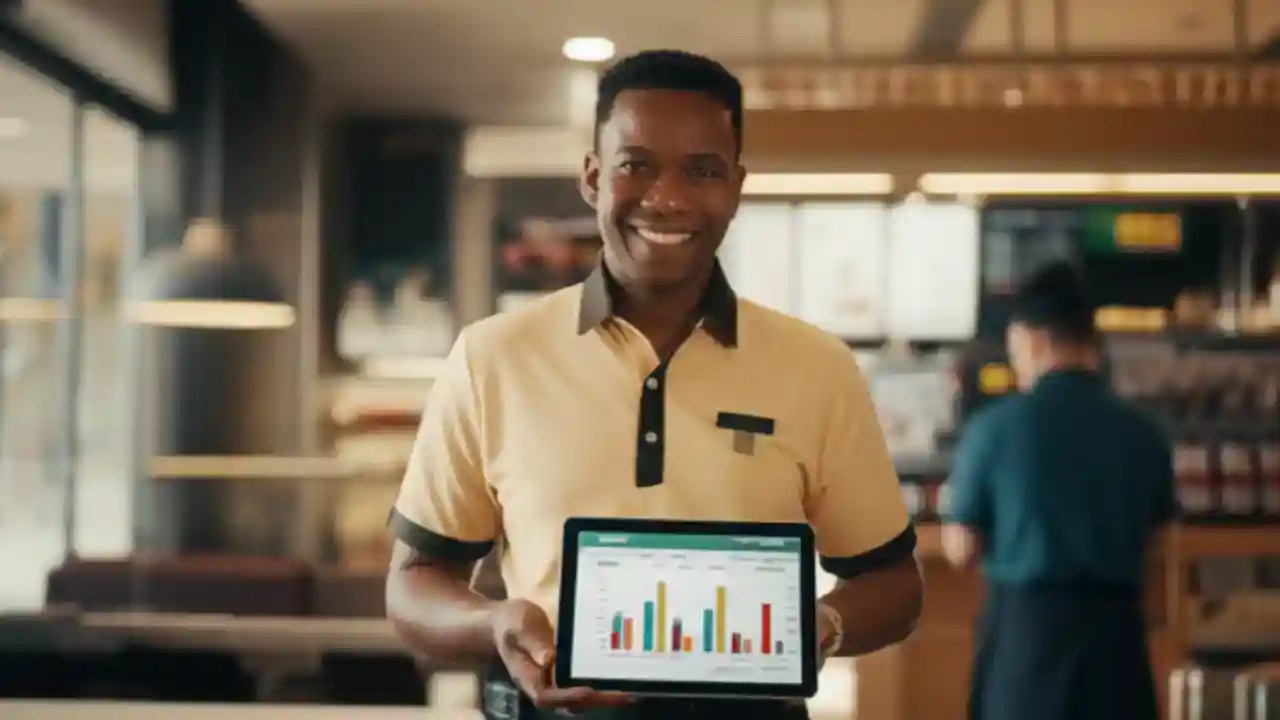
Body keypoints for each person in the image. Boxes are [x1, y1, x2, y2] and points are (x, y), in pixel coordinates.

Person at [386, 49, 923, 720]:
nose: (666, 198)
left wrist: (818, 627)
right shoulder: (492, 357)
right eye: (636, 165)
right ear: (592, 177)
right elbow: (414, 583)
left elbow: (894, 584)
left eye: (701, 171)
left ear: (735, 186)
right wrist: (493, 624)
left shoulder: (817, 367)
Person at [942, 262, 1177, 720]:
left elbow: (961, 546)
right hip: (1117, 642)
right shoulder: (1145, 434)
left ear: (1034, 340)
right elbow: (1161, 543)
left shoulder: (994, 430)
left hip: (1028, 642)